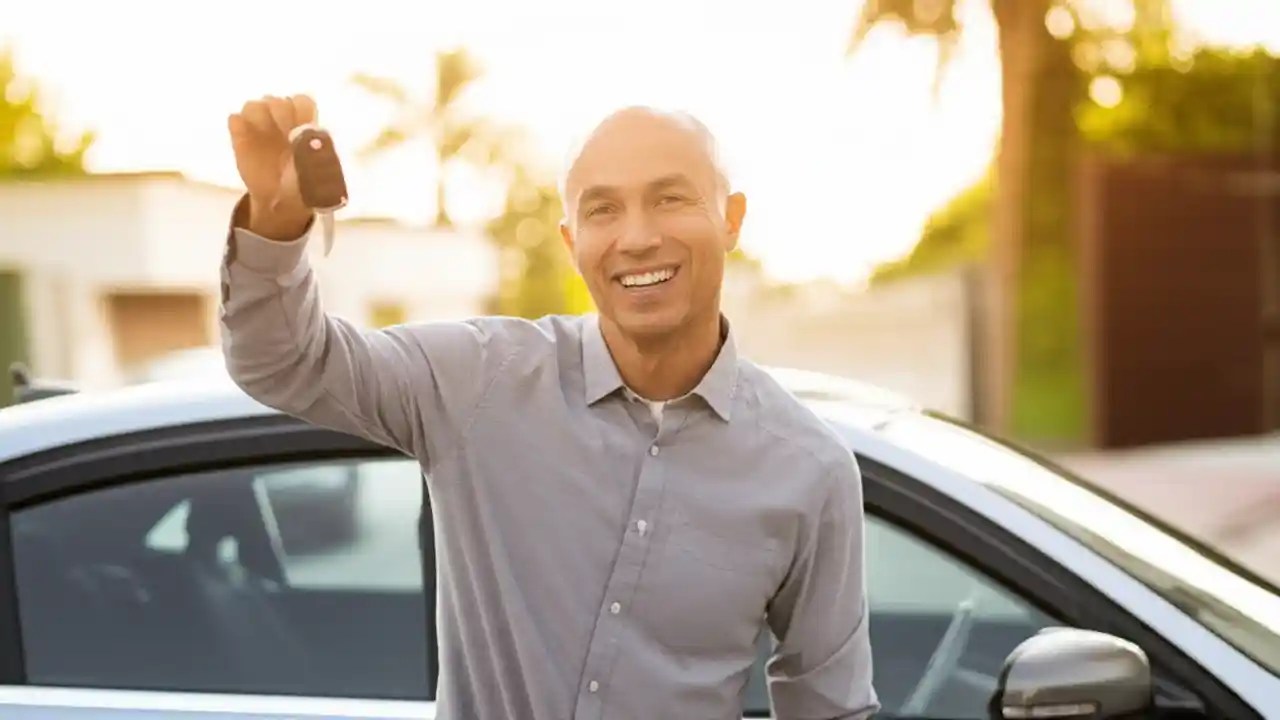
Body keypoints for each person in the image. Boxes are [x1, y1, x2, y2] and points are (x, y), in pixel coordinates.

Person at [221, 93, 879, 719]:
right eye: (603, 210)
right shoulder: (476, 383)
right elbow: (284, 362)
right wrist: (277, 222)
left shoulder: (811, 470)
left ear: (731, 219)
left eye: (669, 199)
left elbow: (830, 707)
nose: (638, 237)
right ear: (571, 241)